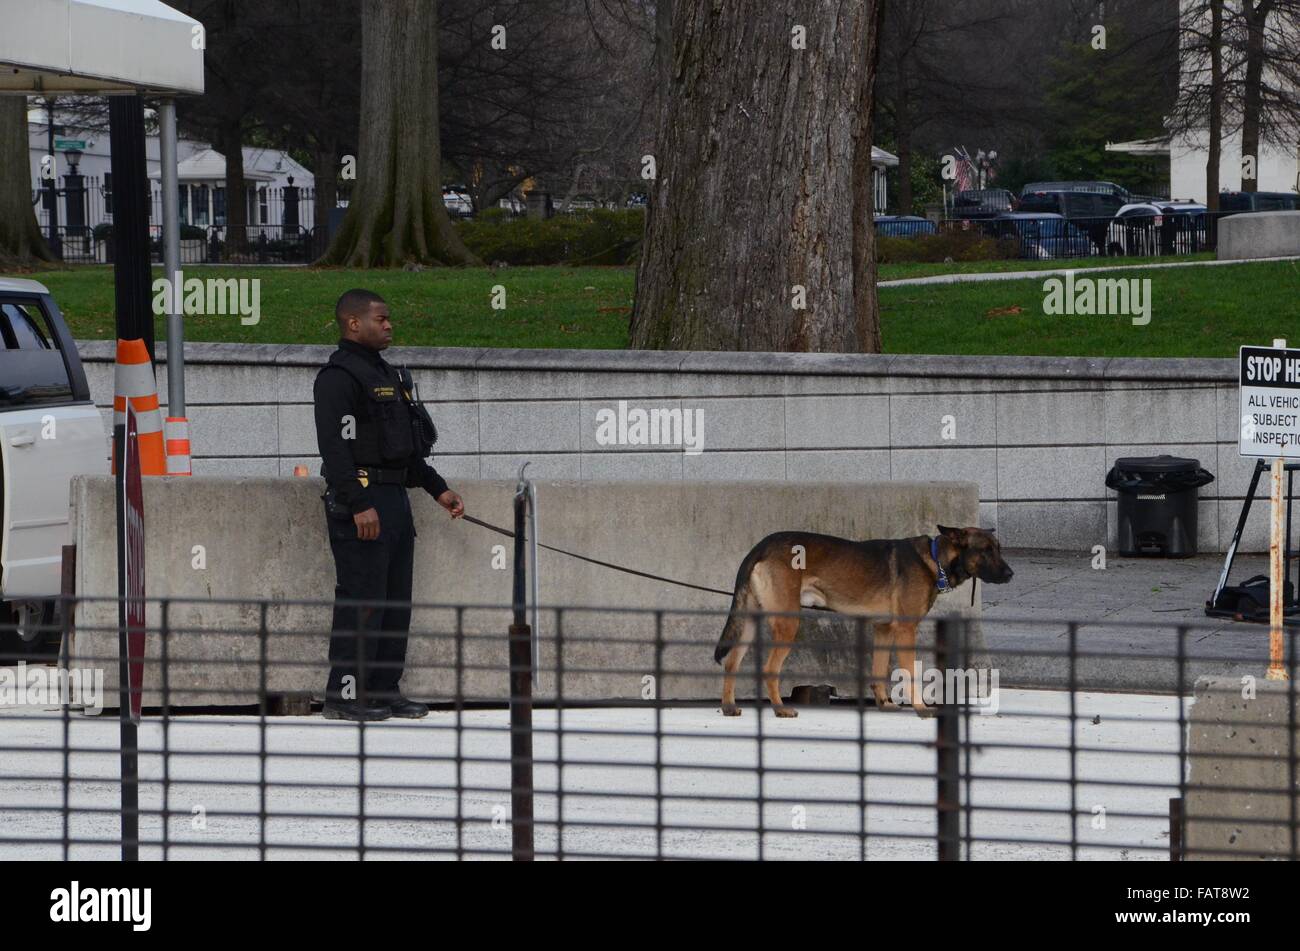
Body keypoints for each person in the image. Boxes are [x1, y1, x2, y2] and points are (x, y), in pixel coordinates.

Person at [314, 288, 464, 721]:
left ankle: (382, 688)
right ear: (353, 323)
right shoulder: (338, 378)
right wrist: (358, 502)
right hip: (360, 501)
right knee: (362, 600)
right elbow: (335, 451)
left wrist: (439, 490)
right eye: (381, 319)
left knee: (395, 601)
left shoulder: (387, 375)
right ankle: (344, 695)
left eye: (389, 318)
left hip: (395, 499)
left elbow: (404, 449)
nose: (389, 325)